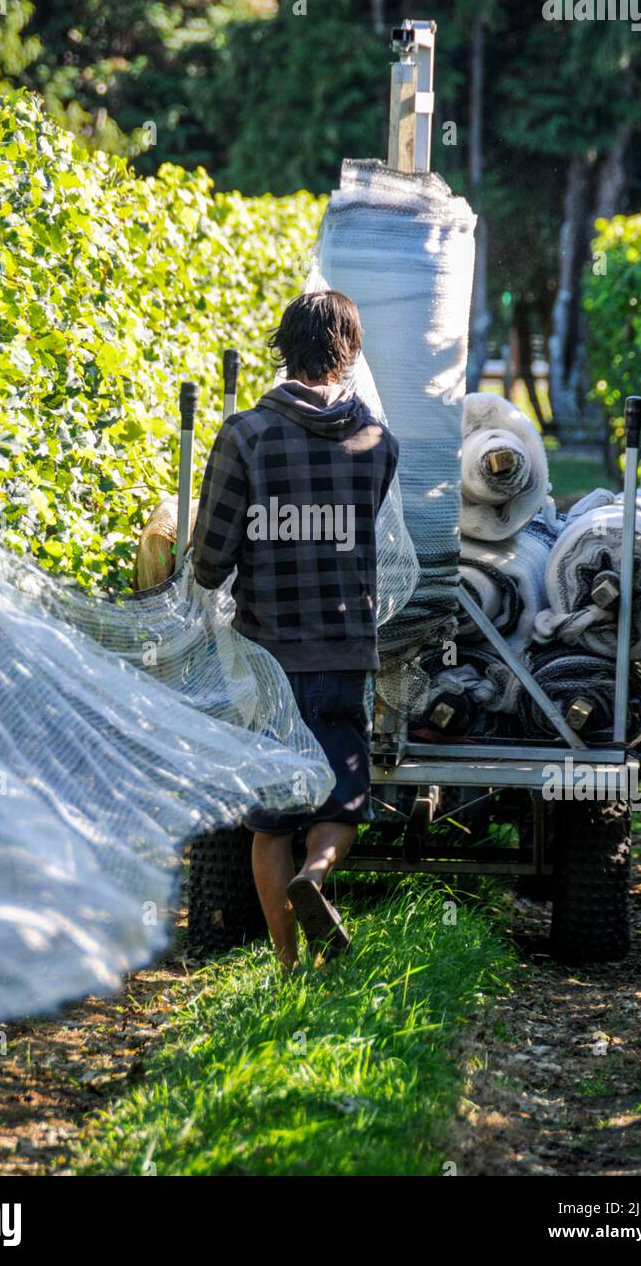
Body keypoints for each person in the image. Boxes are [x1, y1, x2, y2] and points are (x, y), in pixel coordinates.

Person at [192, 290, 398, 970]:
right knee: (343, 792)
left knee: (270, 815)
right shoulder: (376, 441)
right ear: (351, 350)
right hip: (343, 647)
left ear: (283, 347)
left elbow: (210, 561)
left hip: (266, 656)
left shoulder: (244, 436)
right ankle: (319, 873)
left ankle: (287, 968)